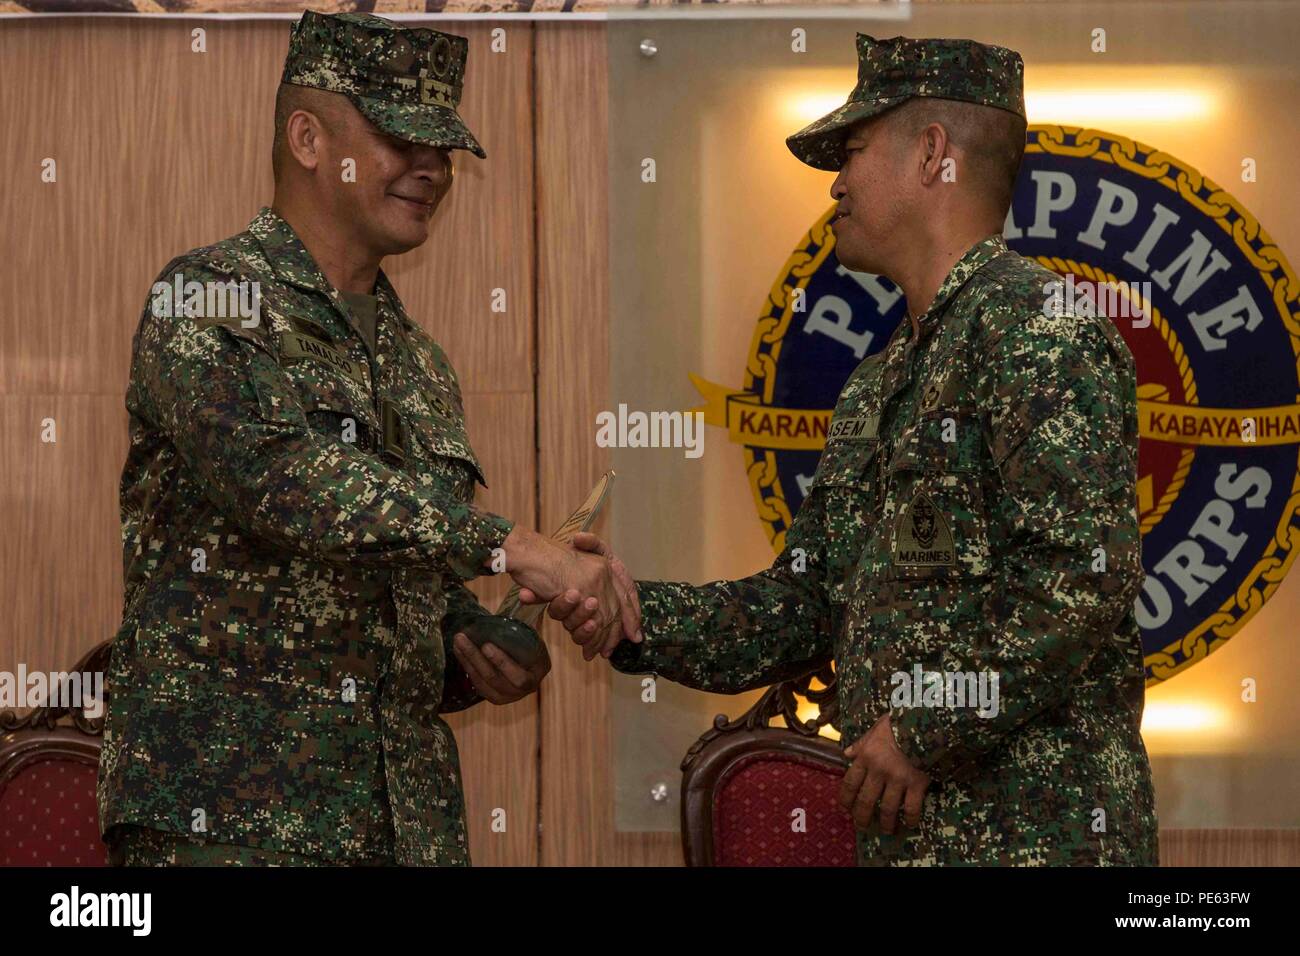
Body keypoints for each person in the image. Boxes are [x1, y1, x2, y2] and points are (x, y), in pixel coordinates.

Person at [537, 34, 1159, 866]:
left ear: (933, 153)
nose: (836, 183)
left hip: (1035, 840)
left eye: (855, 151)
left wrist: (925, 729)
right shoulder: (882, 380)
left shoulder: (1038, 330)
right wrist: (629, 611)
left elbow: (1079, 577)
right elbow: (803, 606)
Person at [98, 10, 636, 867]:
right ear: (307, 139)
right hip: (232, 820)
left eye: (444, 148)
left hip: (403, 825)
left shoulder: (419, 360)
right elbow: (280, 479)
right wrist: (513, 545)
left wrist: (473, 643)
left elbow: (394, 581)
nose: (433, 169)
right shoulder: (204, 297)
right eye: (400, 139)